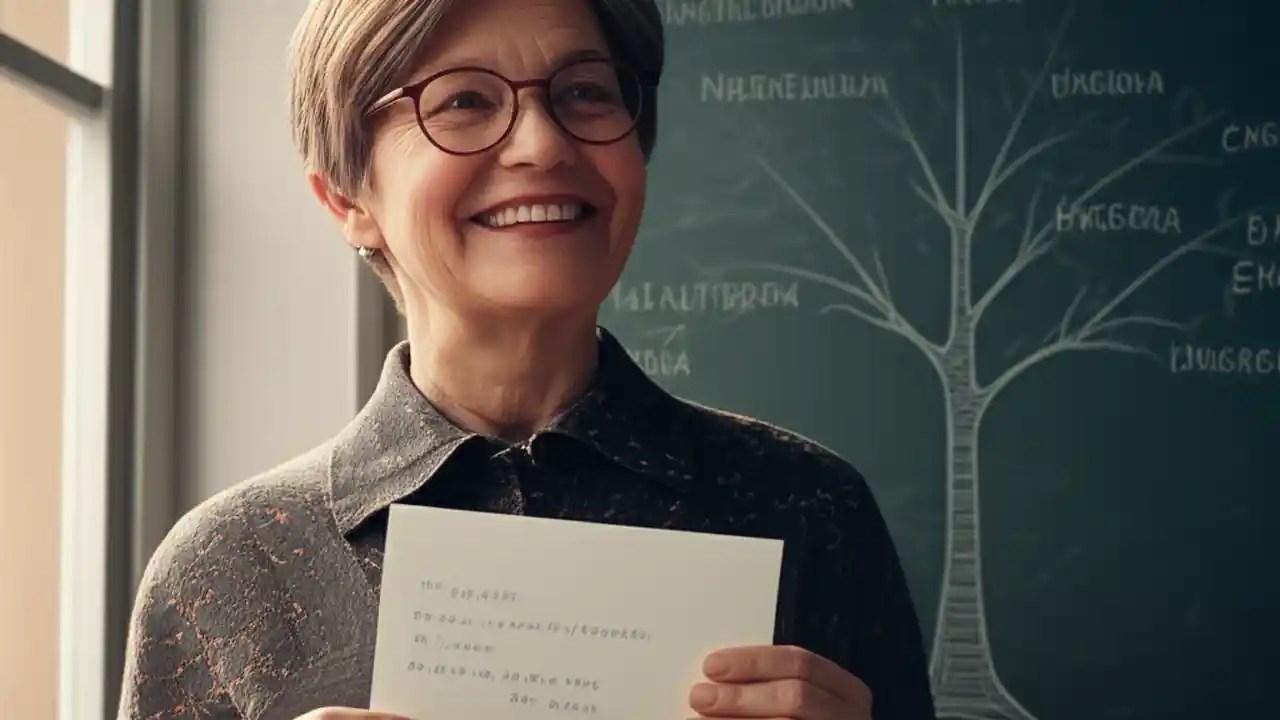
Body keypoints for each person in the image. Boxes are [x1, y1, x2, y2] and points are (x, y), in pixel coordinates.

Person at [117, 0, 936, 718]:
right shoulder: (228, 566)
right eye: (463, 101)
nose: (542, 144)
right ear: (346, 197)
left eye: (584, 91)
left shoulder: (810, 507)